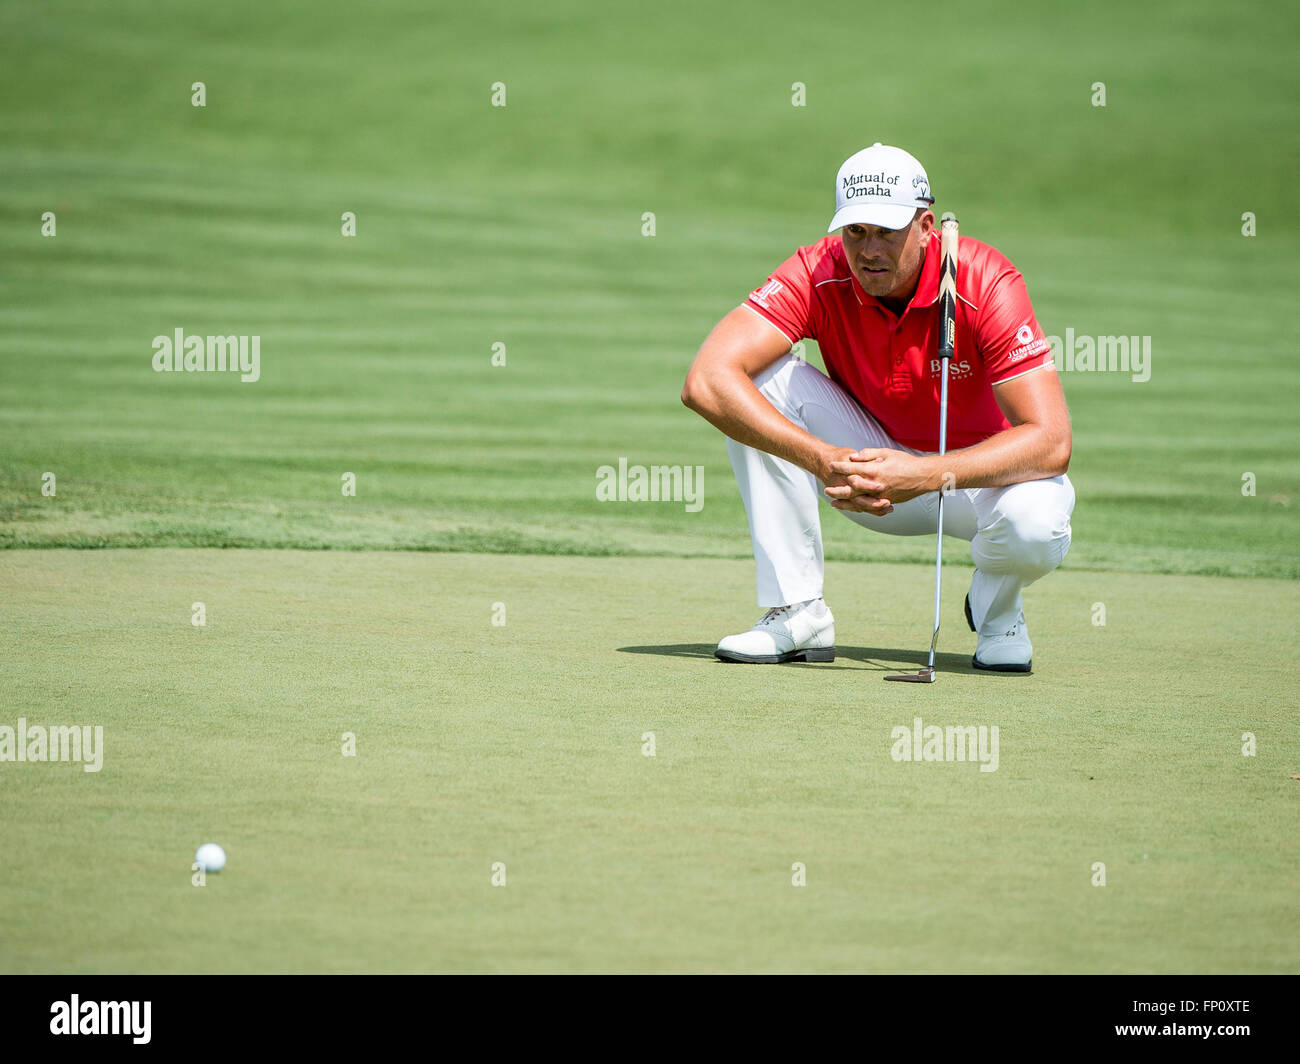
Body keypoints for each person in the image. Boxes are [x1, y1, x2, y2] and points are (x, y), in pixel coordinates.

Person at [681, 143, 1074, 672]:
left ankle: (997, 609)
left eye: (887, 231)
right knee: (757, 380)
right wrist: (823, 459)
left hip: (978, 485)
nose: (869, 251)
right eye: (856, 231)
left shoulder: (985, 279)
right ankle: (799, 611)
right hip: (868, 479)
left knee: (1037, 523)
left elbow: (1052, 439)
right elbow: (705, 381)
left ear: (926, 225)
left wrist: (927, 472)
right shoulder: (817, 270)